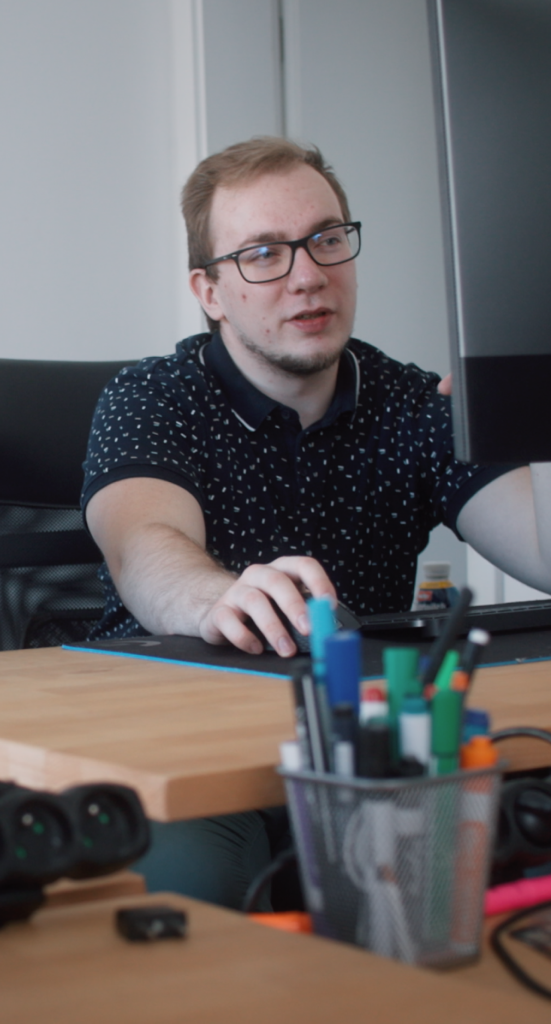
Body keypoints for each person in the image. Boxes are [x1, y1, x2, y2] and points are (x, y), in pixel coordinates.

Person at [81, 137, 551, 906]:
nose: (308, 275)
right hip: (172, 729)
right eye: (265, 253)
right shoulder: (152, 399)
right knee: (191, 882)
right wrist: (214, 598)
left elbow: (541, 549)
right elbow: (144, 548)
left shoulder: (413, 403)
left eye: (327, 239)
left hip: (352, 736)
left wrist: (534, 410)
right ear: (209, 290)